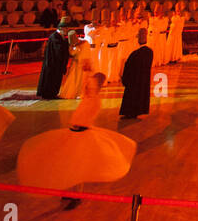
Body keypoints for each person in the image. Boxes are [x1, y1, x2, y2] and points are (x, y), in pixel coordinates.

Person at [17, 73, 136, 206]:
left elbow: (86, 116)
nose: (88, 88)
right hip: (74, 133)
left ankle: (76, 196)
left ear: (98, 87)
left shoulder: (95, 101)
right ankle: (70, 192)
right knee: (70, 165)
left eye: (92, 86)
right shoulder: (88, 98)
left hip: (82, 135)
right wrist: (87, 72)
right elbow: (87, 82)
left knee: (78, 167)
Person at [119, 29, 154, 119]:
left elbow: (128, 67)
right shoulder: (149, 52)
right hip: (143, 80)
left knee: (132, 96)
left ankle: (130, 112)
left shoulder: (135, 54)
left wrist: (124, 78)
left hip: (133, 81)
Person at [36, 23, 71, 99]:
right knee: (50, 79)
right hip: (52, 63)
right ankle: (48, 94)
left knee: (56, 79)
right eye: (66, 28)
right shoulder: (54, 36)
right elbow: (59, 49)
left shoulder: (60, 36)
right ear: (61, 28)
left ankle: (53, 93)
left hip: (57, 63)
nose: (67, 30)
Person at [59, 30, 92, 101]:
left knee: (82, 79)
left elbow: (87, 54)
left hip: (83, 64)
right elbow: (72, 54)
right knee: (74, 79)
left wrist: (86, 63)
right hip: (75, 64)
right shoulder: (72, 45)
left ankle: (80, 93)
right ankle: (74, 93)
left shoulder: (85, 43)